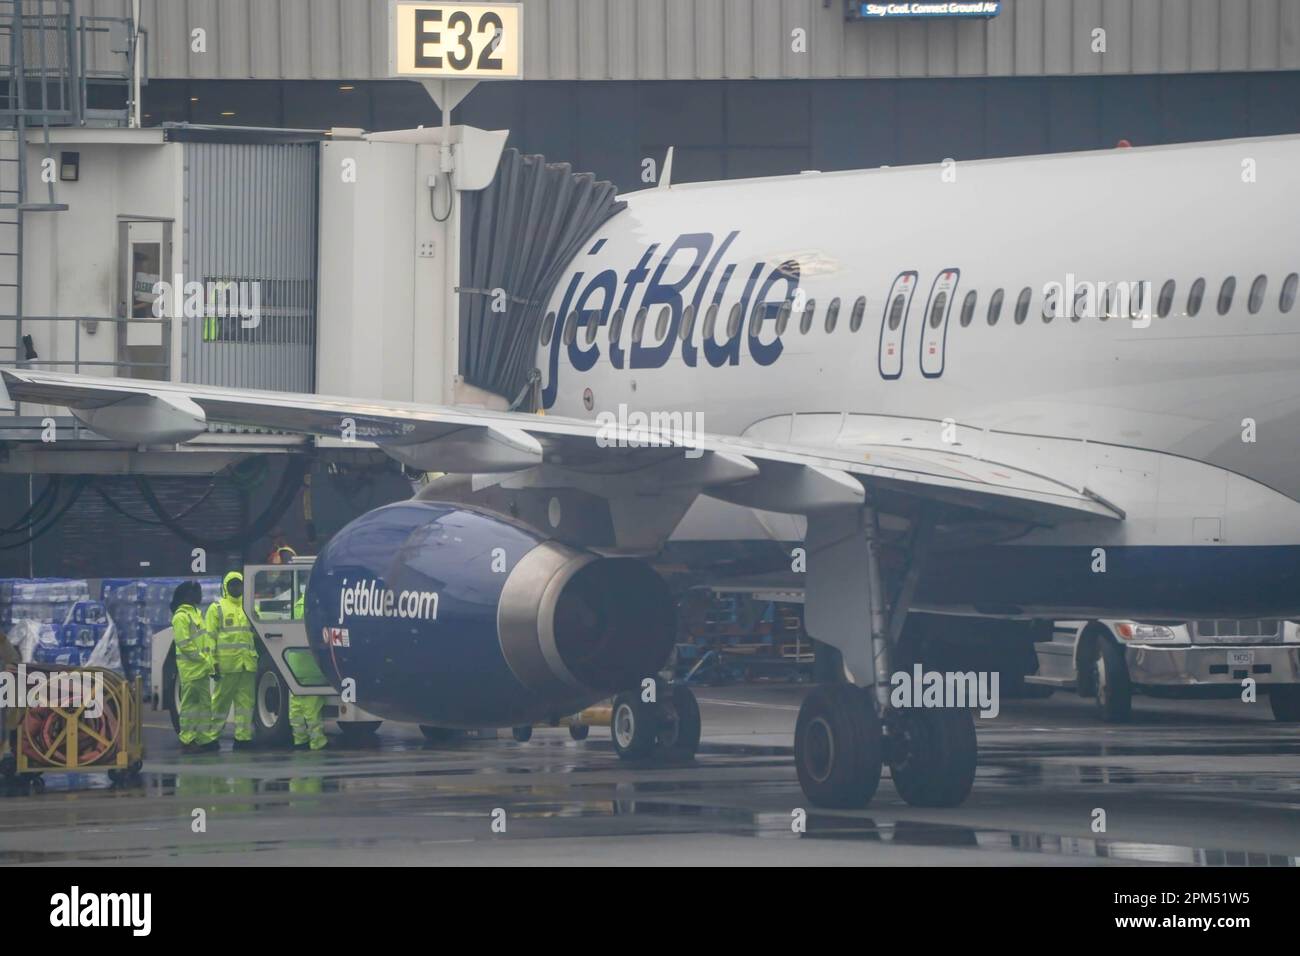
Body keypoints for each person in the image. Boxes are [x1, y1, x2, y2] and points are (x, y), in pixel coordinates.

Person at [206, 571, 259, 749]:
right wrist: (212, 663)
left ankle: (243, 738)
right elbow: (210, 638)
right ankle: (211, 737)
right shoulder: (217, 608)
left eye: (239, 584)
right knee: (220, 702)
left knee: (246, 704)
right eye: (232, 584)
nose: (236, 587)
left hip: (247, 664)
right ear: (226, 587)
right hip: (226, 665)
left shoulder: (249, 607)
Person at [171, 581, 218, 754]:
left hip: (202, 668)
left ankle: (205, 738)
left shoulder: (197, 613)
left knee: (205, 705)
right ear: (188, 595)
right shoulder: (181, 617)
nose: (201, 596)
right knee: (190, 706)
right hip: (191, 669)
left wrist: (208, 661)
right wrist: (202, 659)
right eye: (197, 592)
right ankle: (187, 739)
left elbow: (203, 641)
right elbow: (184, 644)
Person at [287, 589, 326, 750]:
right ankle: (317, 742)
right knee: (312, 710)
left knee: (296, 708)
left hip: (294, 666)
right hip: (311, 666)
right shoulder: (315, 607)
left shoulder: (297, 606)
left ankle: (299, 739)